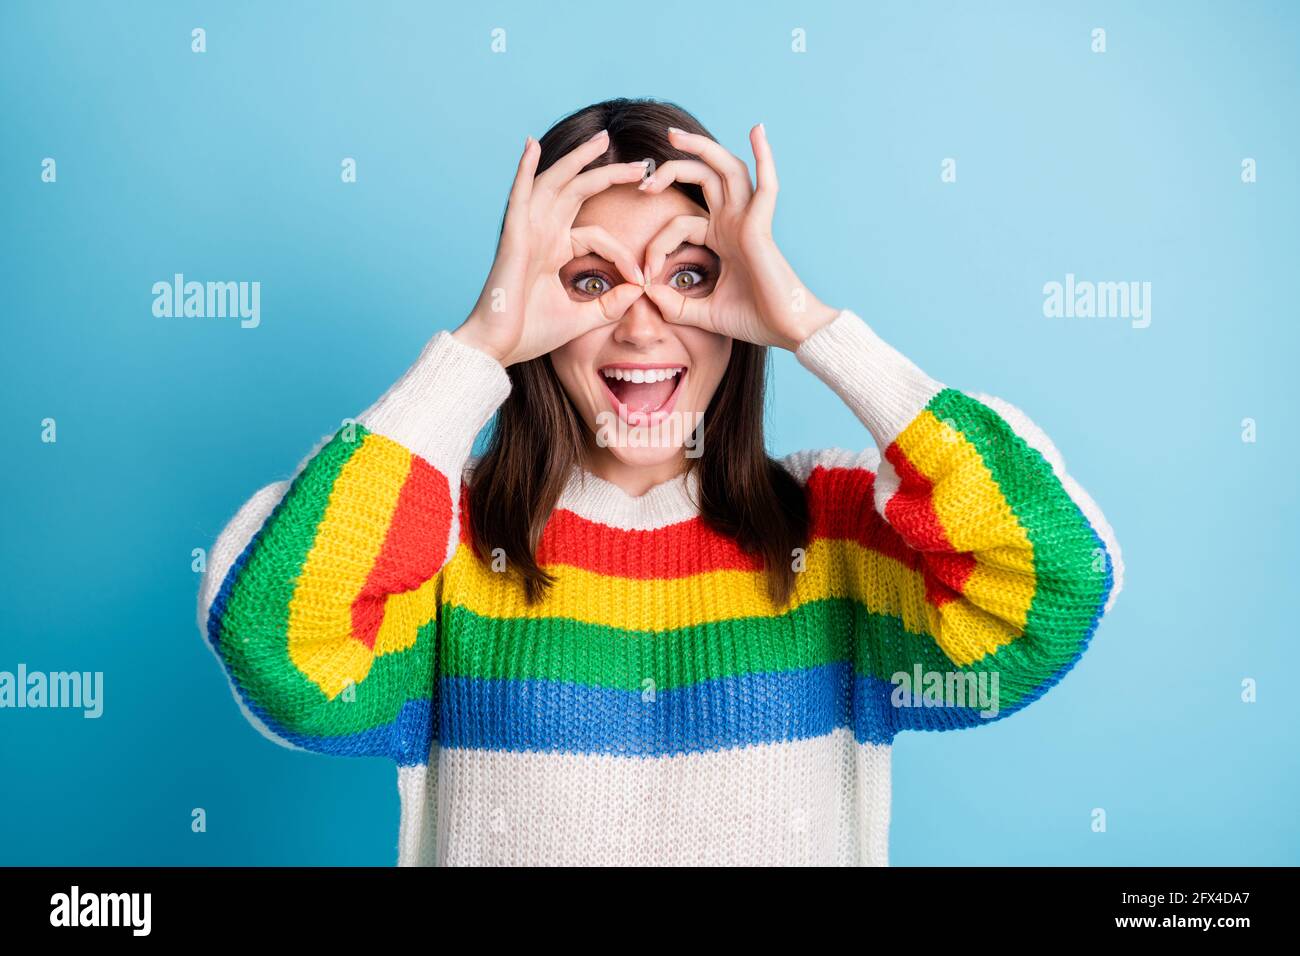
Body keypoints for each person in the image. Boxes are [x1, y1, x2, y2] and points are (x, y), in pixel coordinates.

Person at [197, 97, 1123, 866]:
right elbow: (276, 639)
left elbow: (1055, 581)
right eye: (592, 282)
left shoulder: (837, 533)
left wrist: (811, 327)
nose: (644, 328)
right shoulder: (444, 540)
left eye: (689, 275)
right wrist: (478, 346)